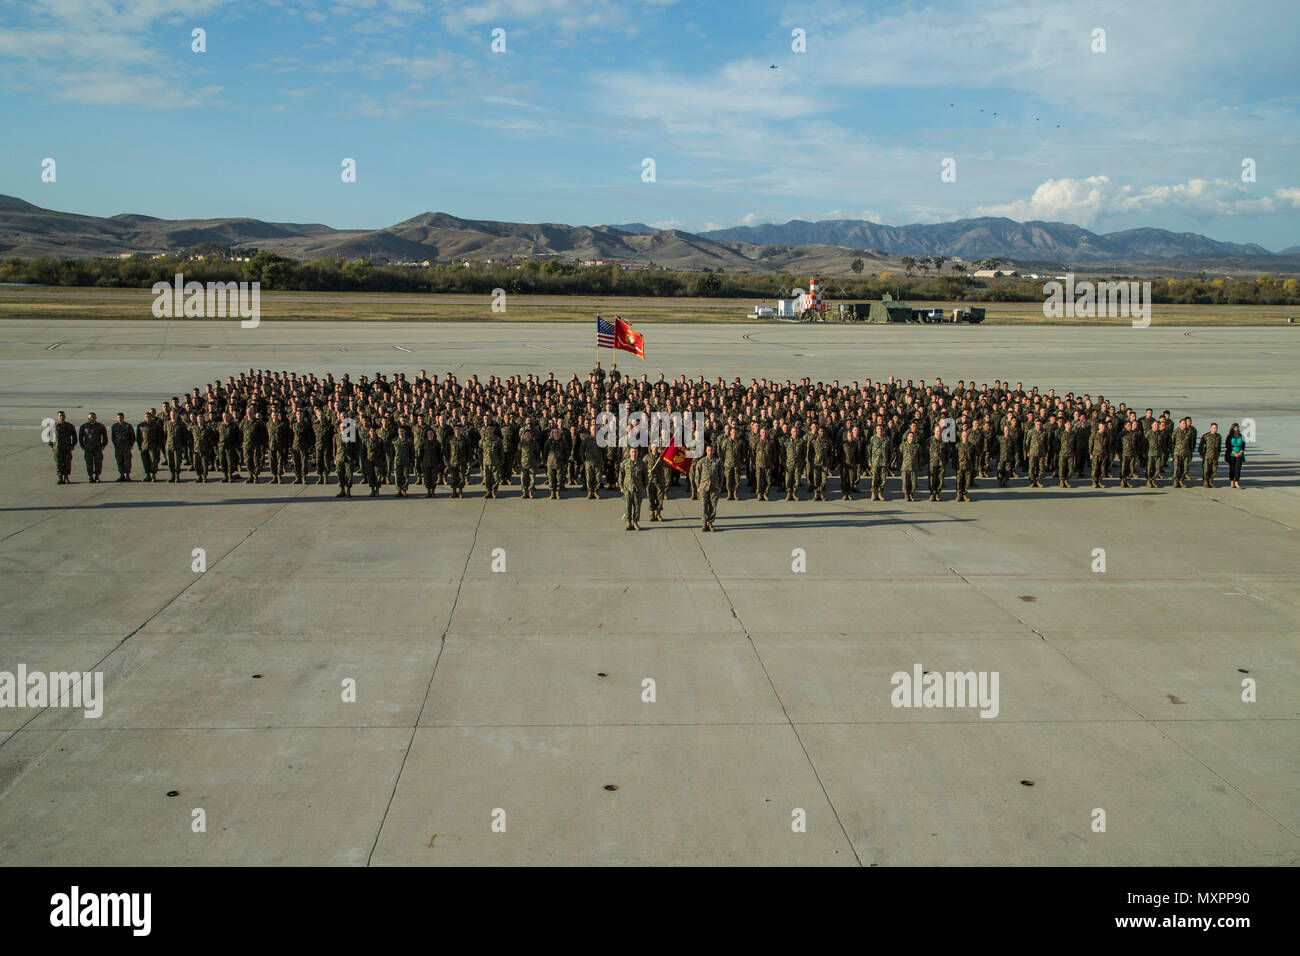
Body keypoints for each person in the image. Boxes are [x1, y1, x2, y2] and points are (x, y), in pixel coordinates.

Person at [618, 445, 648, 530]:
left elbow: (645, 476)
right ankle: (628, 522)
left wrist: (644, 487)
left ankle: (635, 522)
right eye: (632, 452)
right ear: (629, 453)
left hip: (638, 488)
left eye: (635, 452)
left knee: (637, 506)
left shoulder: (642, 463)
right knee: (628, 506)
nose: (633, 453)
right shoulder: (625, 463)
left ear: (638, 453)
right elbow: (621, 475)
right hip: (627, 488)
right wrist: (621, 486)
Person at [698, 444, 724, 531]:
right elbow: (697, 475)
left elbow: (721, 475)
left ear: (714, 451)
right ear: (706, 451)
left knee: (713, 506)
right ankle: (704, 523)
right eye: (708, 450)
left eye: (711, 450)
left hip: (714, 486)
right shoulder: (701, 461)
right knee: (704, 505)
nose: (710, 452)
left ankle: (710, 523)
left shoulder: (718, 461)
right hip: (703, 487)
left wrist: (720, 486)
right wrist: (698, 486)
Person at [78, 412, 108, 483]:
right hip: (88, 449)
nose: (92, 419)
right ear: (88, 418)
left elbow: (105, 437)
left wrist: (103, 445)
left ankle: (97, 476)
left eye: (93, 417)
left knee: (98, 463)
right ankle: (90, 477)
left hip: (97, 448)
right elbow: (80, 437)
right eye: (90, 417)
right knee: (89, 463)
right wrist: (82, 446)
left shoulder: (100, 426)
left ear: (96, 418)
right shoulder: (84, 426)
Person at [50, 410, 77, 484]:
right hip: (58, 449)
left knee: (67, 463)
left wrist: (72, 445)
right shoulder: (54, 427)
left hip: (67, 448)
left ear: (65, 417)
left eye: (63, 416)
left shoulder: (70, 426)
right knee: (59, 463)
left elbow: (74, 437)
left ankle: (66, 477)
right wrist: (52, 446)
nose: (61, 417)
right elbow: (50, 437)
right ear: (57, 417)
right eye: (60, 416)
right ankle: (60, 477)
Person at [111, 412, 135, 481]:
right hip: (118, 447)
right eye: (119, 418)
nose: (120, 419)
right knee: (119, 462)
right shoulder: (114, 426)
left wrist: (131, 445)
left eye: (121, 417)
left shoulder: (128, 426)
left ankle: (127, 475)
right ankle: (122, 475)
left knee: (127, 462)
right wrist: (115, 445)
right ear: (117, 418)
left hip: (126, 447)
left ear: (123, 418)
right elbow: (113, 437)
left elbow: (132, 437)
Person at [1199, 423, 1221, 488]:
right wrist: (1202, 454)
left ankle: (1210, 481)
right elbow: (1201, 446)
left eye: (1216, 428)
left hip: (1215, 456)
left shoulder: (1218, 436)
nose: (1215, 429)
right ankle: (1206, 481)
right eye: (1214, 428)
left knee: (1214, 470)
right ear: (1211, 428)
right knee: (1206, 470)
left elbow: (1219, 447)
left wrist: (1218, 454)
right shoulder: (1206, 436)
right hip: (1207, 456)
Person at [1225, 423, 1245, 488]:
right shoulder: (1229, 436)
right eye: (1235, 428)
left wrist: (1240, 453)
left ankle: (1237, 482)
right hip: (1232, 454)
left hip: (1240, 454)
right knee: (1232, 468)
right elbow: (1227, 446)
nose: (1236, 429)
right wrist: (1234, 452)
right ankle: (1232, 481)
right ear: (1232, 429)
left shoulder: (1241, 436)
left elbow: (1243, 446)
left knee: (1238, 469)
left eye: (1237, 428)